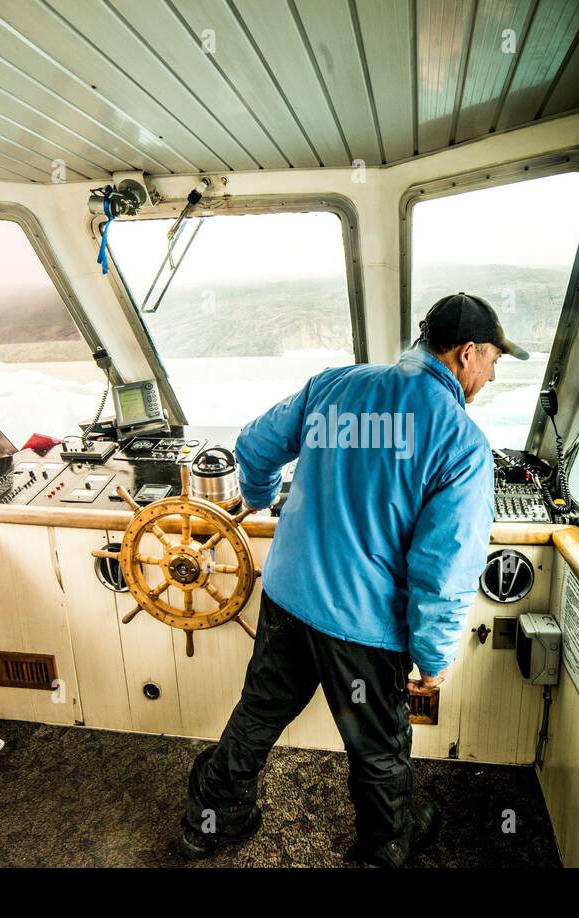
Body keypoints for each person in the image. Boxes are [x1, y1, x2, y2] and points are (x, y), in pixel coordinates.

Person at [179, 292, 528, 866]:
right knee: (378, 750)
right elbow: (445, 567)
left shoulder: (334, 385)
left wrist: (264, 500)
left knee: (258, 713)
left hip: (288, 597)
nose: (490, 375)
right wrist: (434, 656)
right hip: (361, 628)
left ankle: (209, 824)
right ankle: (384, 850)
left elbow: (254, 445)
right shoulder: (462, 443)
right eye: (492, 360)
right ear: (467, 353)